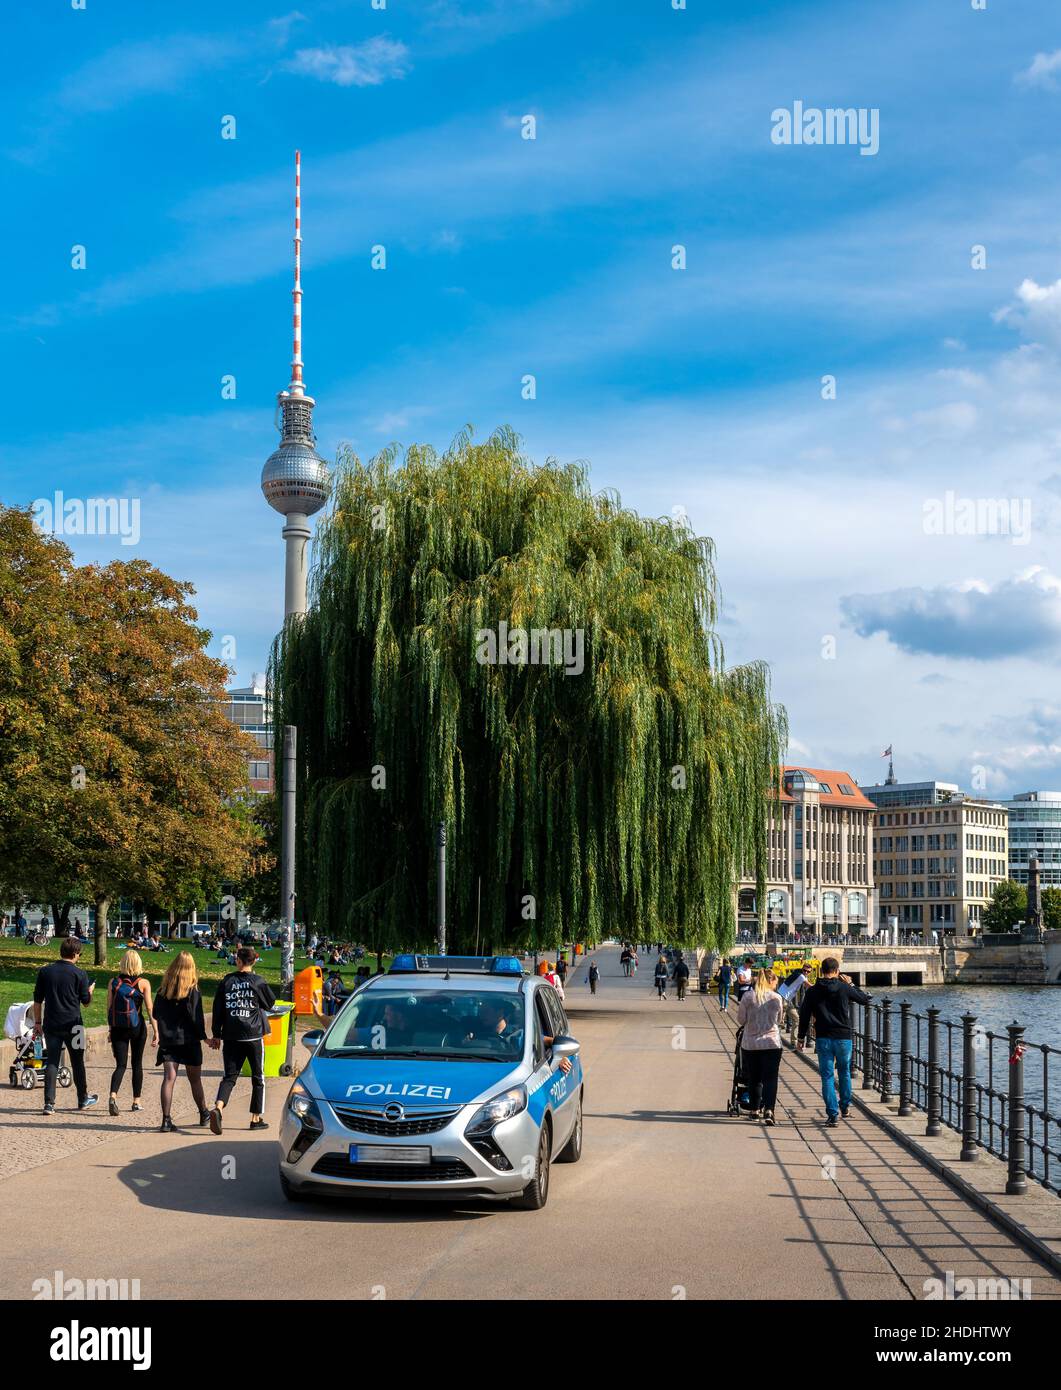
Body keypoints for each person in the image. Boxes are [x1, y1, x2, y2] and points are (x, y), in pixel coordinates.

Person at [208, 946, 276, 1135]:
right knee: (258, 1077)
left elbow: (218, 1009)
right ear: (253, 961)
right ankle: (255, 1118)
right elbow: (270, 1003)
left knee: (230, 1076)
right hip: (253, 1035)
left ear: (238, 961)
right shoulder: (258, 981)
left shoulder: (226, 981)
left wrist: (216, 1034)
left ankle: (219, 1108)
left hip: (231, 1035)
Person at [797, 957, 871, 1126]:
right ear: (837, 971)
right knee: (844, 1072)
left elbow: (805, 1015)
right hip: (843, 1037)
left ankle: (832, 1113)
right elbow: (865, 999)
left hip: (823, 1038)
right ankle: (844, 1107)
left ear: (822, 971)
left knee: (827, 1076)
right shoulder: (844, 988)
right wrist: (851, 984)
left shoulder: (813, 991)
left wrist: (801, 1037)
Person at [32, 937, 98, 1115]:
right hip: (74, 1025)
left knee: (52, 1061)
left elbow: (37, 1001)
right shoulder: (80, 974)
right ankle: (83, 1098)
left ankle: (49, 1103)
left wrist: (37, 1022)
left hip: (51, 1024)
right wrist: (90, 991)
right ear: (76, 953)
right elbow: (85, 1002)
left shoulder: (45, 972)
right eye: (80, 954)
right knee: (77, 1062)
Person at [154, 951, 209, 1132]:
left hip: (169, 1040)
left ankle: (166, 1120)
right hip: (189, 1040)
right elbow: (196, 1018)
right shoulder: (193, 991)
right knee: (195, 1080)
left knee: (169, 1079)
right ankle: (203, 1112)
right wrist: (205, 1037)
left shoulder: (163, 990)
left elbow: (155, 1013)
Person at [106, 949, 156, 1115]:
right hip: (137, 1027)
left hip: (118, 1027)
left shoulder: (113, 982)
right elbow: (150, 1009)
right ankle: (136, 1101)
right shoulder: (144, 983)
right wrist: (156, 1031)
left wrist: (110, 1028)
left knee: (120, 1065)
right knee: (137, 1064)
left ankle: (113, 1096)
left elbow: (109, 1008)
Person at [736, 968, 784, 1125]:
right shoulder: (776, 998)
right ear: (771, 981)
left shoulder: (747, 997)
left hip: (751, 1044)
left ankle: (755, 1110)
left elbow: (741, 1020)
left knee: (754, 1078)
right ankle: (769, 1110)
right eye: (776, 982)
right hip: (772, 1043)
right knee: (770, 1078)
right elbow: (780, 1020)